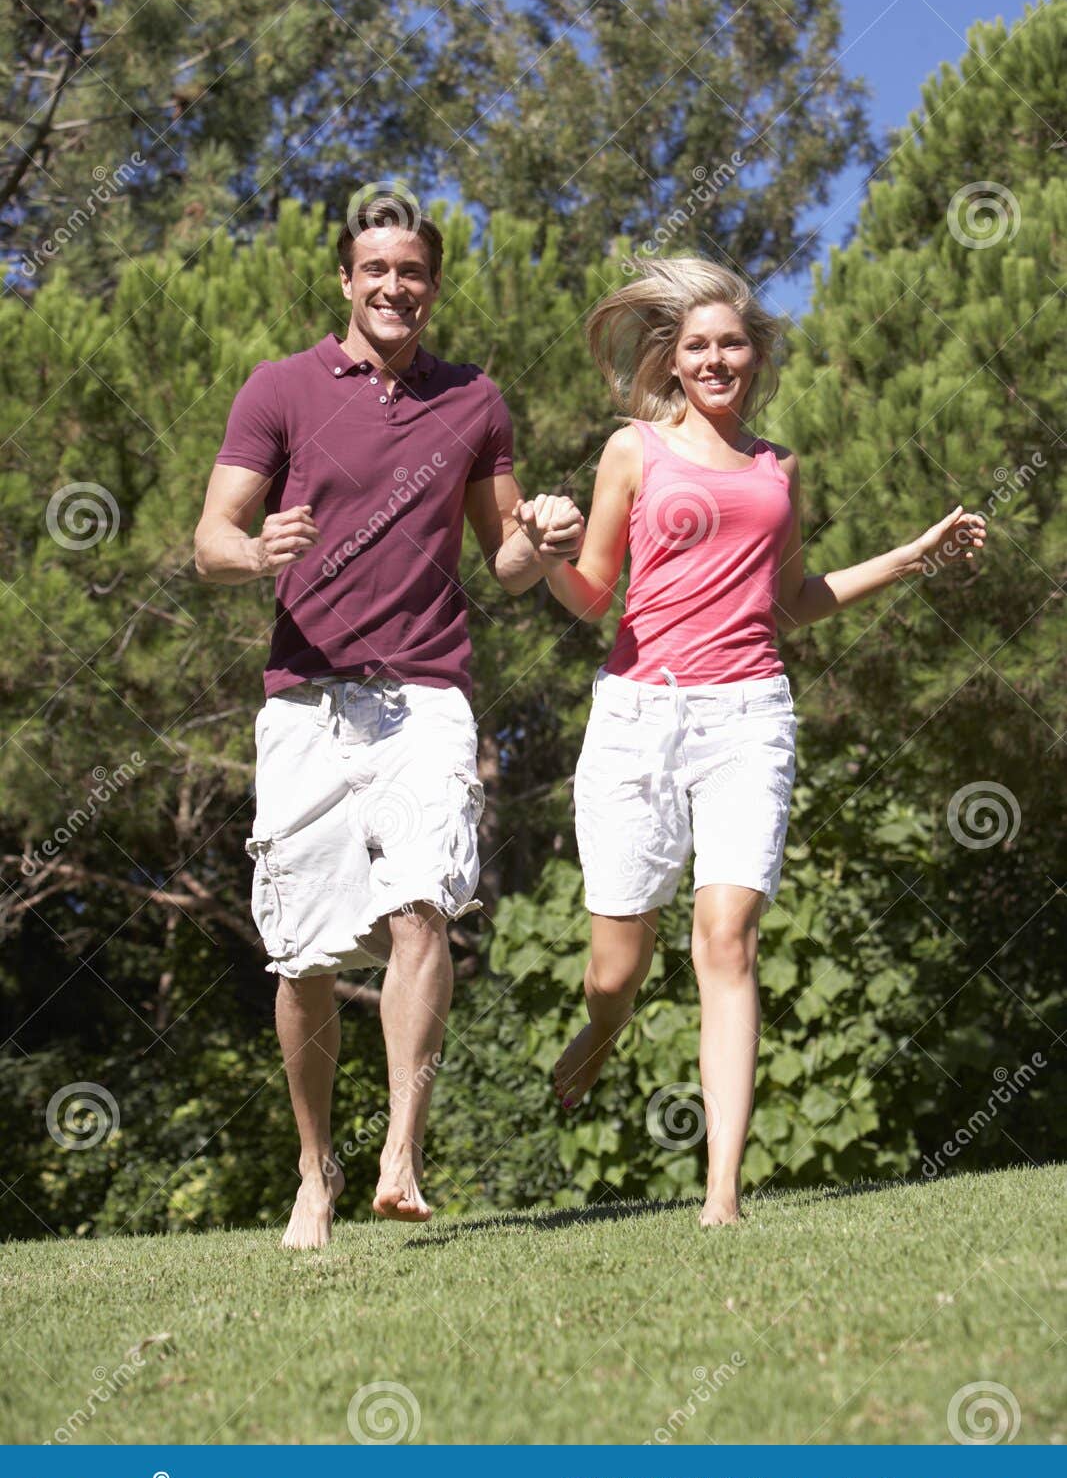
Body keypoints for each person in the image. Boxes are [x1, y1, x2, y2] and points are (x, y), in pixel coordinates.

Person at [519, 255, 986, 1228]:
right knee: (615, 971)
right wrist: (555, 556)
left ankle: (720, 1194)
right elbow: (592, 595)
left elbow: (790, 602)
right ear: (672, 361)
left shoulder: (778, 469)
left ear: (754, 354)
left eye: (731, 341)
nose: (716, 357)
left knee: (723, 939)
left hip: (747, 714)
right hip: (638, 716)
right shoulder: (632, 452)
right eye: (697, 345)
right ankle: (601, 1030)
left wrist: (906, 557)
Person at [194, 195, 583, 1249]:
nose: (392, 287)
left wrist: (544, 537)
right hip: (306, 698)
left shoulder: (475, 401)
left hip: (425, 694)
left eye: (411, 270)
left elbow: (502, 564)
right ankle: (313, 1171)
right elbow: (209, 539)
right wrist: (256, 553)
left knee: (422, 906)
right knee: (304, 952)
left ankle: (400, 1152)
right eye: (374, 269)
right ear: (344, 280)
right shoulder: (279, 388)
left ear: (434, 283)